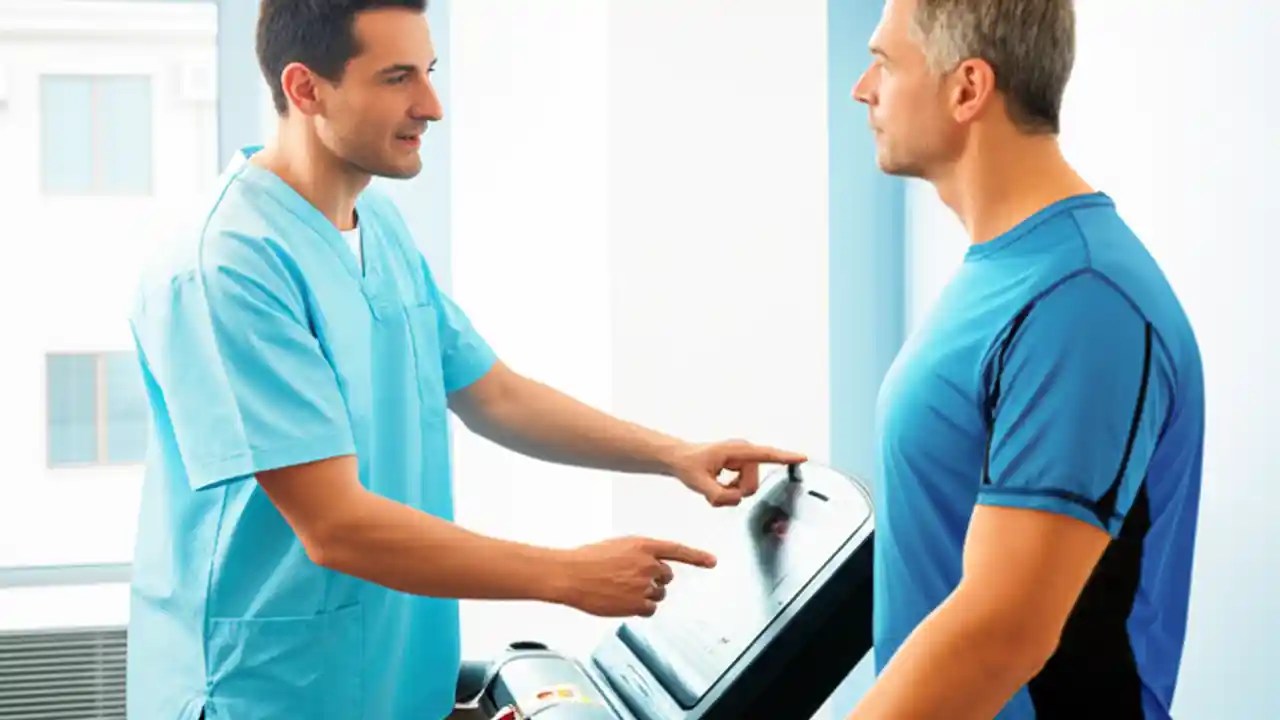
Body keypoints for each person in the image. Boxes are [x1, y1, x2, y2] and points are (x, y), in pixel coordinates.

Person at [123, 2, 805, 719]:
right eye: (397, 78)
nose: (432, 106)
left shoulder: (375, 225)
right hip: (266, 691)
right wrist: (565, 575)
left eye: (430, 72)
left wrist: (674, 455)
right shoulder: (227, 267)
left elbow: (494, 395)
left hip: (388, 680)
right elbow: (335, 527)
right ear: (306, 89)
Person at [845, 1, 1204, 718]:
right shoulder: (1008, 270)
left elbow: (1002, 633)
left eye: (885, 61)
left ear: (967, 89)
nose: (862, 87)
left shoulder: (1083, 300)